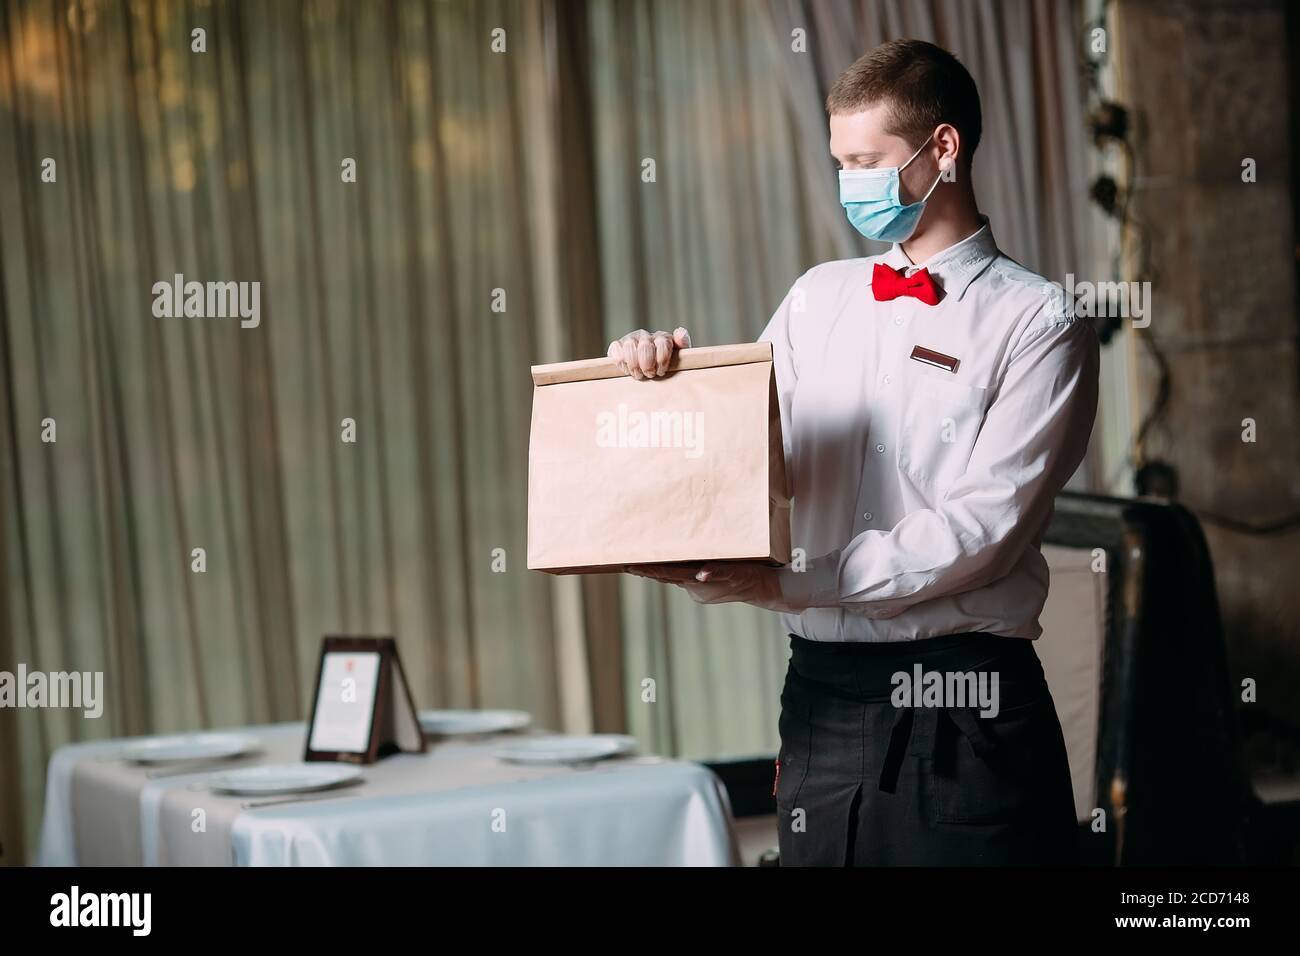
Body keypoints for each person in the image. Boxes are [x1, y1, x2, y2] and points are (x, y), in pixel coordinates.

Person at [609, 39, 1098, 866]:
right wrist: (661, 384)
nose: (851, 186)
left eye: (867, 160)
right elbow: (752, 460)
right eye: (840, 163)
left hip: (962, 704)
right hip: (821, 700)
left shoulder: (1042, 322)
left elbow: (981, 535)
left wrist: (787, 583)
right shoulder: (816, 297)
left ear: (943, 149)